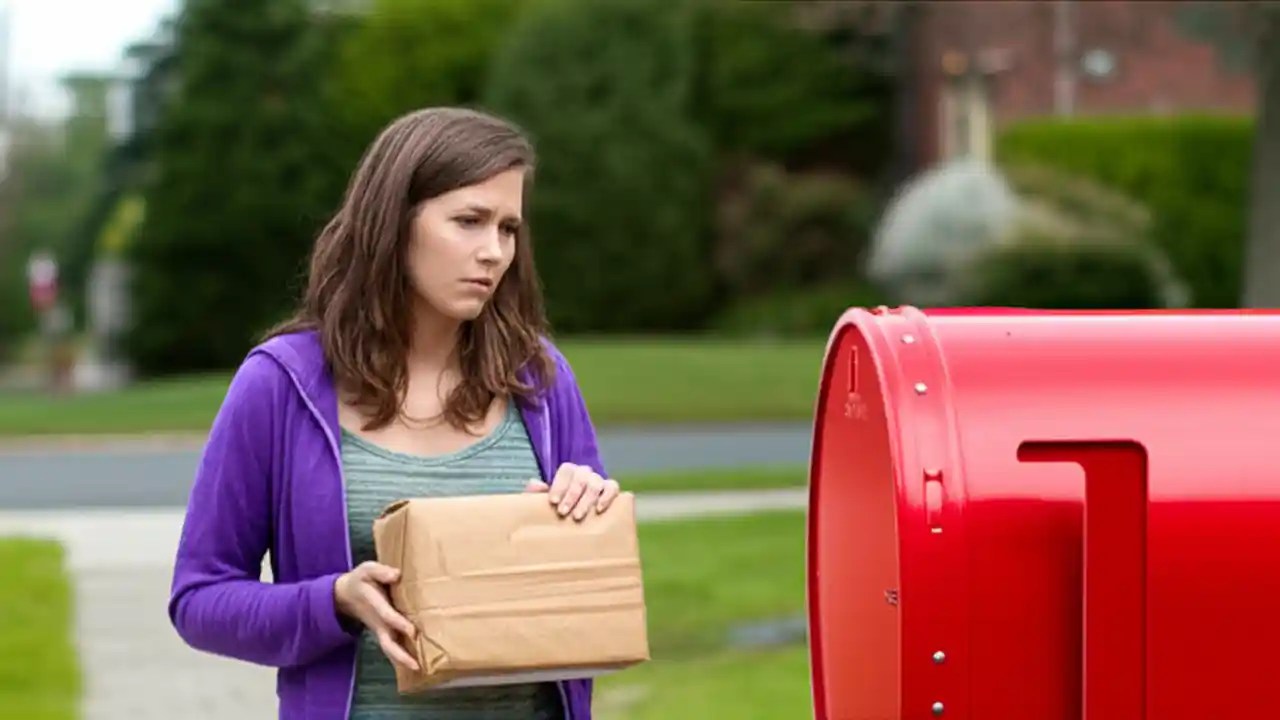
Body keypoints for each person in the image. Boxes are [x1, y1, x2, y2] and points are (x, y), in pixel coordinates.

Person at [168, 107, 622, 720]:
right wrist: (333, 602)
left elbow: (589, 601)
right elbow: (200, 600)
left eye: (509, 228)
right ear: (395, 221)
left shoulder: (539, 380)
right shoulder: (282, 385)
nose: (493, 252)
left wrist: (582, 515)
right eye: (468, 221)